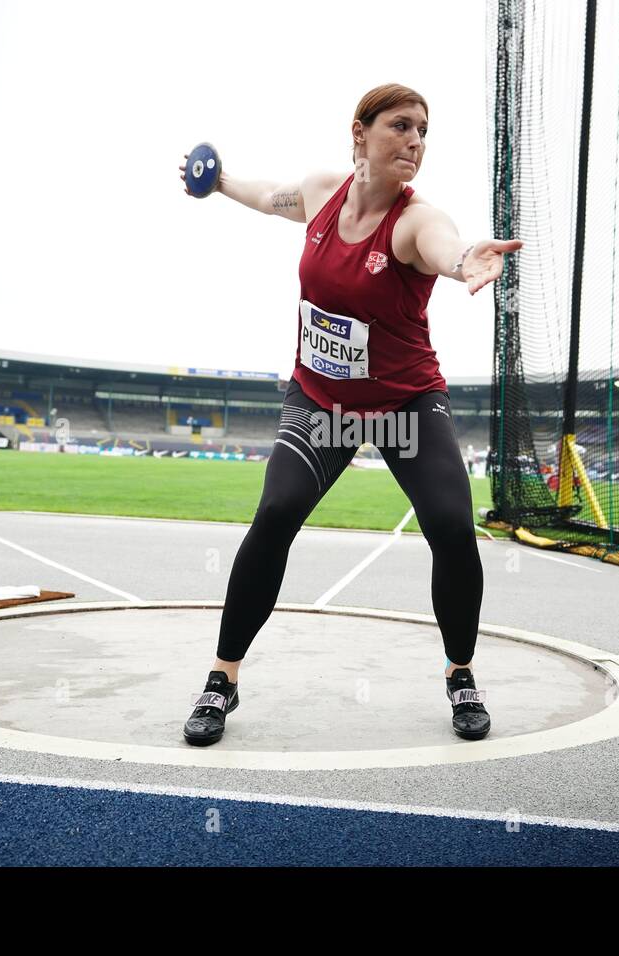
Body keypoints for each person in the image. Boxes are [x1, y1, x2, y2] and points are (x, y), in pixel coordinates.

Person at [177, 84, 522, 745]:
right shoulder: (320, 192)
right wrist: (218, 180)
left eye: (424, 130)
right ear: (360, 133)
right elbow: (268, 195)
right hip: (322, 401)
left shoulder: (416, 221)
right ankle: (223, 677)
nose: (416, 141)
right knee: (276, 512)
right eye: (401, 126)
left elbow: (443, 245)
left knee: (452, 525)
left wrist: (464, 261)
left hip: (404, 404)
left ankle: (461, 673)